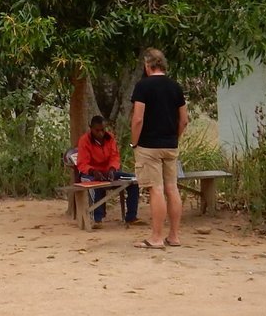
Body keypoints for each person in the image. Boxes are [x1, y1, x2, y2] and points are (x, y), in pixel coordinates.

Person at [130, 48, 188, 249]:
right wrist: (175, 138)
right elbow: (184, 120)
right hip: (170, 145)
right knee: (172, 188)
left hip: (149, 145)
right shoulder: (176, 87)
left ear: (148, 65)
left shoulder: (143, 87)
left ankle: (156, 237)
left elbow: (138, 118)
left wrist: (134, 142)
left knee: (156, 189)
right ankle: (174, 236)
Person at [75, 114, 139, 227]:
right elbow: (82, 163)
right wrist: (93, 171)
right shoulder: (84, 140)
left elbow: (115, 157)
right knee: (95, 185)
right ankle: (97, 219)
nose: (100, 133)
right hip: (89, 174)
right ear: (91, 128)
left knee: (133, 181)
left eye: (103, 130)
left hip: (108, 172)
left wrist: (112, 169)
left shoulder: (110, 138)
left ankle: (131, 217)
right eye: (97, 130)